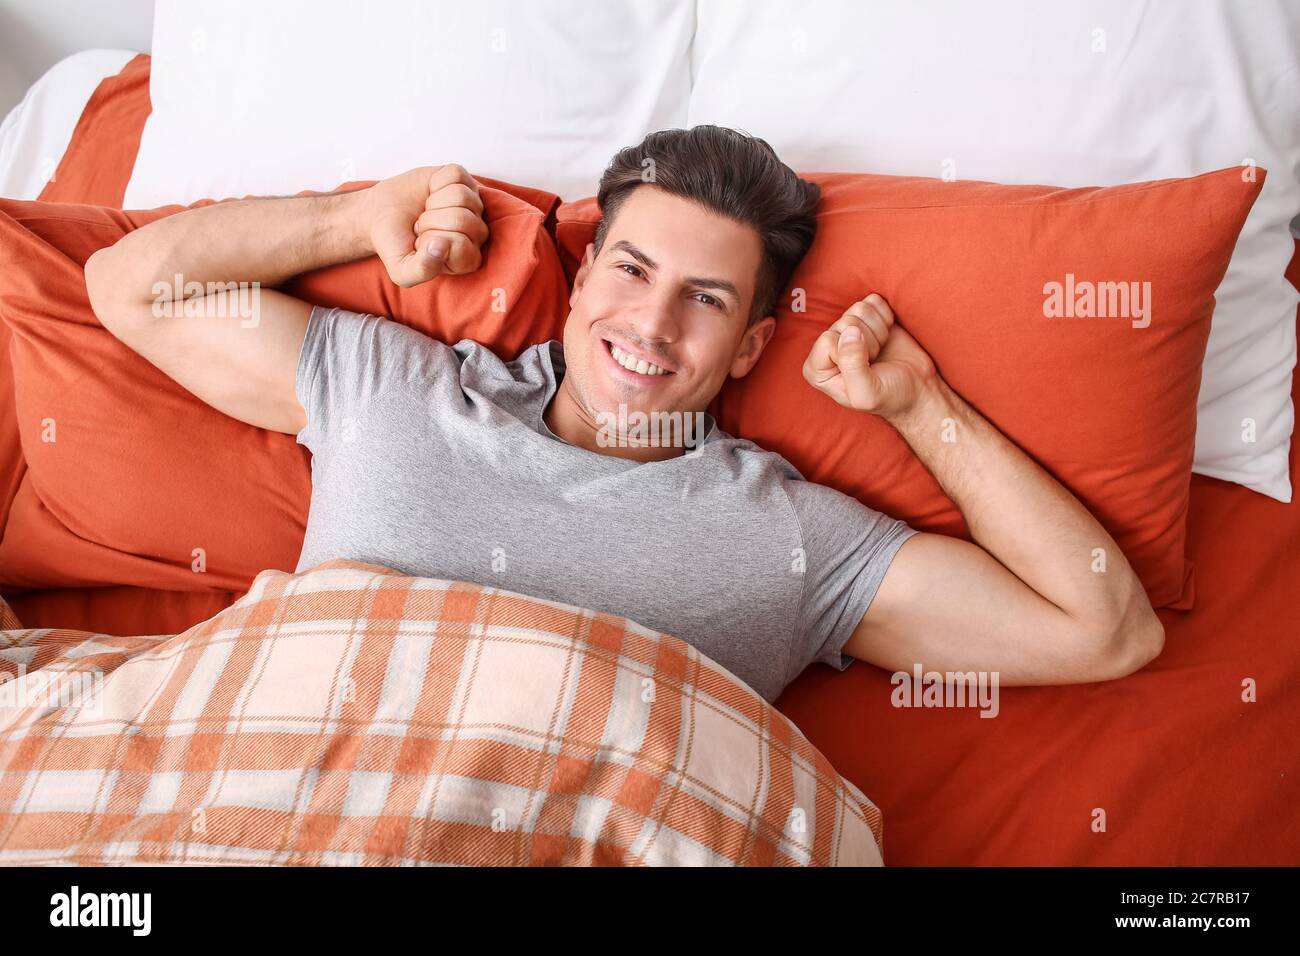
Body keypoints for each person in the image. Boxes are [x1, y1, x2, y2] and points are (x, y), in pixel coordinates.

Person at [84, 125, 1162, 703]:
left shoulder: (784, 535)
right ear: (586, 272)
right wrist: (357, 217)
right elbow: (129, 287)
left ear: (747, 346)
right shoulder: (396, 385)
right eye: (633, 270)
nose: (650, 325)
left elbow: (1104, 627)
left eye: (704, 299)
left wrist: (921, 406)